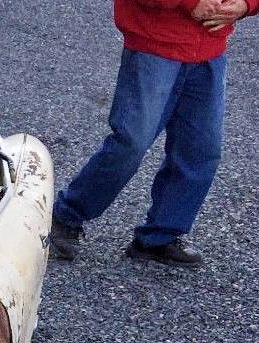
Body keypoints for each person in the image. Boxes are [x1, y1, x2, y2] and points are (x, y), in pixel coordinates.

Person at [49, 0, 256, 267]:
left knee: (200, 150)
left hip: (210, 53)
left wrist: (245, 5)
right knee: (130, 144)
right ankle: (64, 217)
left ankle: (159, 237)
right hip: (154, 48)